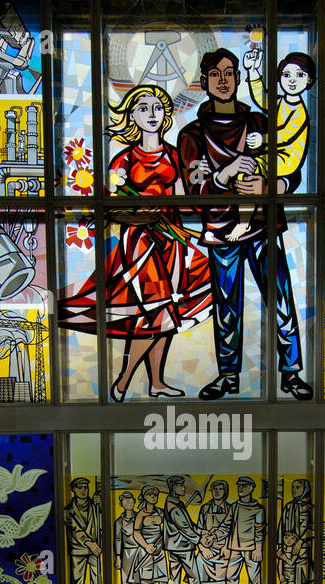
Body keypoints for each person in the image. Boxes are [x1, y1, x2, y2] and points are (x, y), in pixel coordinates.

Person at [58, 84, 211, 400]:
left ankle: (155, 383)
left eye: (157, 108)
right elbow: (111, 209)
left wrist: (201, 180)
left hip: (170, 241)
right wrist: (140, 216)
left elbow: (184, 202)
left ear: (166, 115)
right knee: (154, 311)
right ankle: (126, 381)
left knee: (165, 313)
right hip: (139, 246)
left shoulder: (174, 155)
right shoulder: (123, 158)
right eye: (143, 108)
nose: (151, 115)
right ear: (131, 116)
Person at [176, 49, 312, 401]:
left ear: (238, 78)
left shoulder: (261, 123)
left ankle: (292, 373)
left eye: (230, 72)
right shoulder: (191, 134)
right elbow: (195, 190)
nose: (223, 80)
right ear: (204, 82)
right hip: (221, 229)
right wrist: (225, 175)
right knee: (226, 307)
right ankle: (228, 376)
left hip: (263, 225)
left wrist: (273, 186)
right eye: (215, 74)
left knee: (281, 298)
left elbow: (290, 170)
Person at [232, 49, 315, 241]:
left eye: (299, 75)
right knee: (246, 171)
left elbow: (285, 135)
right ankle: (244, 220)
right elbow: (262, 97)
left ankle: (245, 222)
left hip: (287, 160)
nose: (292, 80)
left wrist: (263, 139)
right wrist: (253, 71)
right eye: (286, 75)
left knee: (250, 173)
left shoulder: (300, 111)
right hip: (274, 156)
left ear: (309, 80)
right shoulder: (280, 102)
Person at [224, 476, 265, 584]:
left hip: (251, 548)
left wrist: (258, 548)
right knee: (231, 576)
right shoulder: (234, 506)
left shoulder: (258, 509)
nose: (240, 489)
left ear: (252, 488)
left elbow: (260, 530)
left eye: (244, 486)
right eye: (239, 486)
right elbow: (226, 525)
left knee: (254, 578)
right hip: (234, 547)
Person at [163, 475, 201, 584]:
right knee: (194, 576)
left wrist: (201, 532)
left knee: (174, 577)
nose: (184, 488)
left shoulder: (174, 503)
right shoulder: (174, 507)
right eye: (181, 485)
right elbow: (186, 528)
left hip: (173, 547)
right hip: (183, 547)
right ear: (173, 487)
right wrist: (199, 539)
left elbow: (189, 525)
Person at [195, 479, 233, 584]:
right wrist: (202, 548)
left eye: (220, 489)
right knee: (200, 580)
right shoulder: (205, 508)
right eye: (214, 489)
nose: (217, 492)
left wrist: (227, 547)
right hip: (205, 550)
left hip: (223, 551)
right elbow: (198, 531)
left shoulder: (230, 509)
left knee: (221, 583)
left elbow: (232, 531)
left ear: (225, 491)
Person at [65, 477, 102, 584]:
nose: (83, 490)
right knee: (77, 579)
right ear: (73, 490)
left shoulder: (95, 506)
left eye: (85, 487)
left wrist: (101, 506)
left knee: (97, 577)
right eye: (80, 487)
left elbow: (102, 524)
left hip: (95, 547)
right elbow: (76, 529)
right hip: (78, 549)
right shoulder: (67, 511)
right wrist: (89, 543)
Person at [130, 485, 168, 584]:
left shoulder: (161, 512)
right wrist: (146, 546)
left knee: (163, 578)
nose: (153, 497)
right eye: (150, 494)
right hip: (146, 551)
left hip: (159, 550)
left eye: (155, 494)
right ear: (144, 497)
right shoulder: (140, 514)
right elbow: (136, 532)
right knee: (146, 578)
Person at [278, 478, 313, 584]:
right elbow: (281, 526)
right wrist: (280, 544)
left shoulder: (310, 508)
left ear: (305, 489)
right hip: (287, 546)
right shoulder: (288, 506)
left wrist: (301, 541)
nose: (294, 490)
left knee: (302, 577)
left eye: (298, 487)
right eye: (293, 487)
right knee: (287, 579)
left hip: (303, 549)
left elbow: (314, 527)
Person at [113, 490, 142, 584]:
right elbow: (118, 539)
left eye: (130, 499)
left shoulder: (140, 518)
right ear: (121, 504)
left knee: (141, 578)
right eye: (125, 499)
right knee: (125, 579)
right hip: (127, 553)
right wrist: (118, 557)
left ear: (134, 501)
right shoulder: (119, 522)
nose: (128, 502)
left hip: (141, 552)